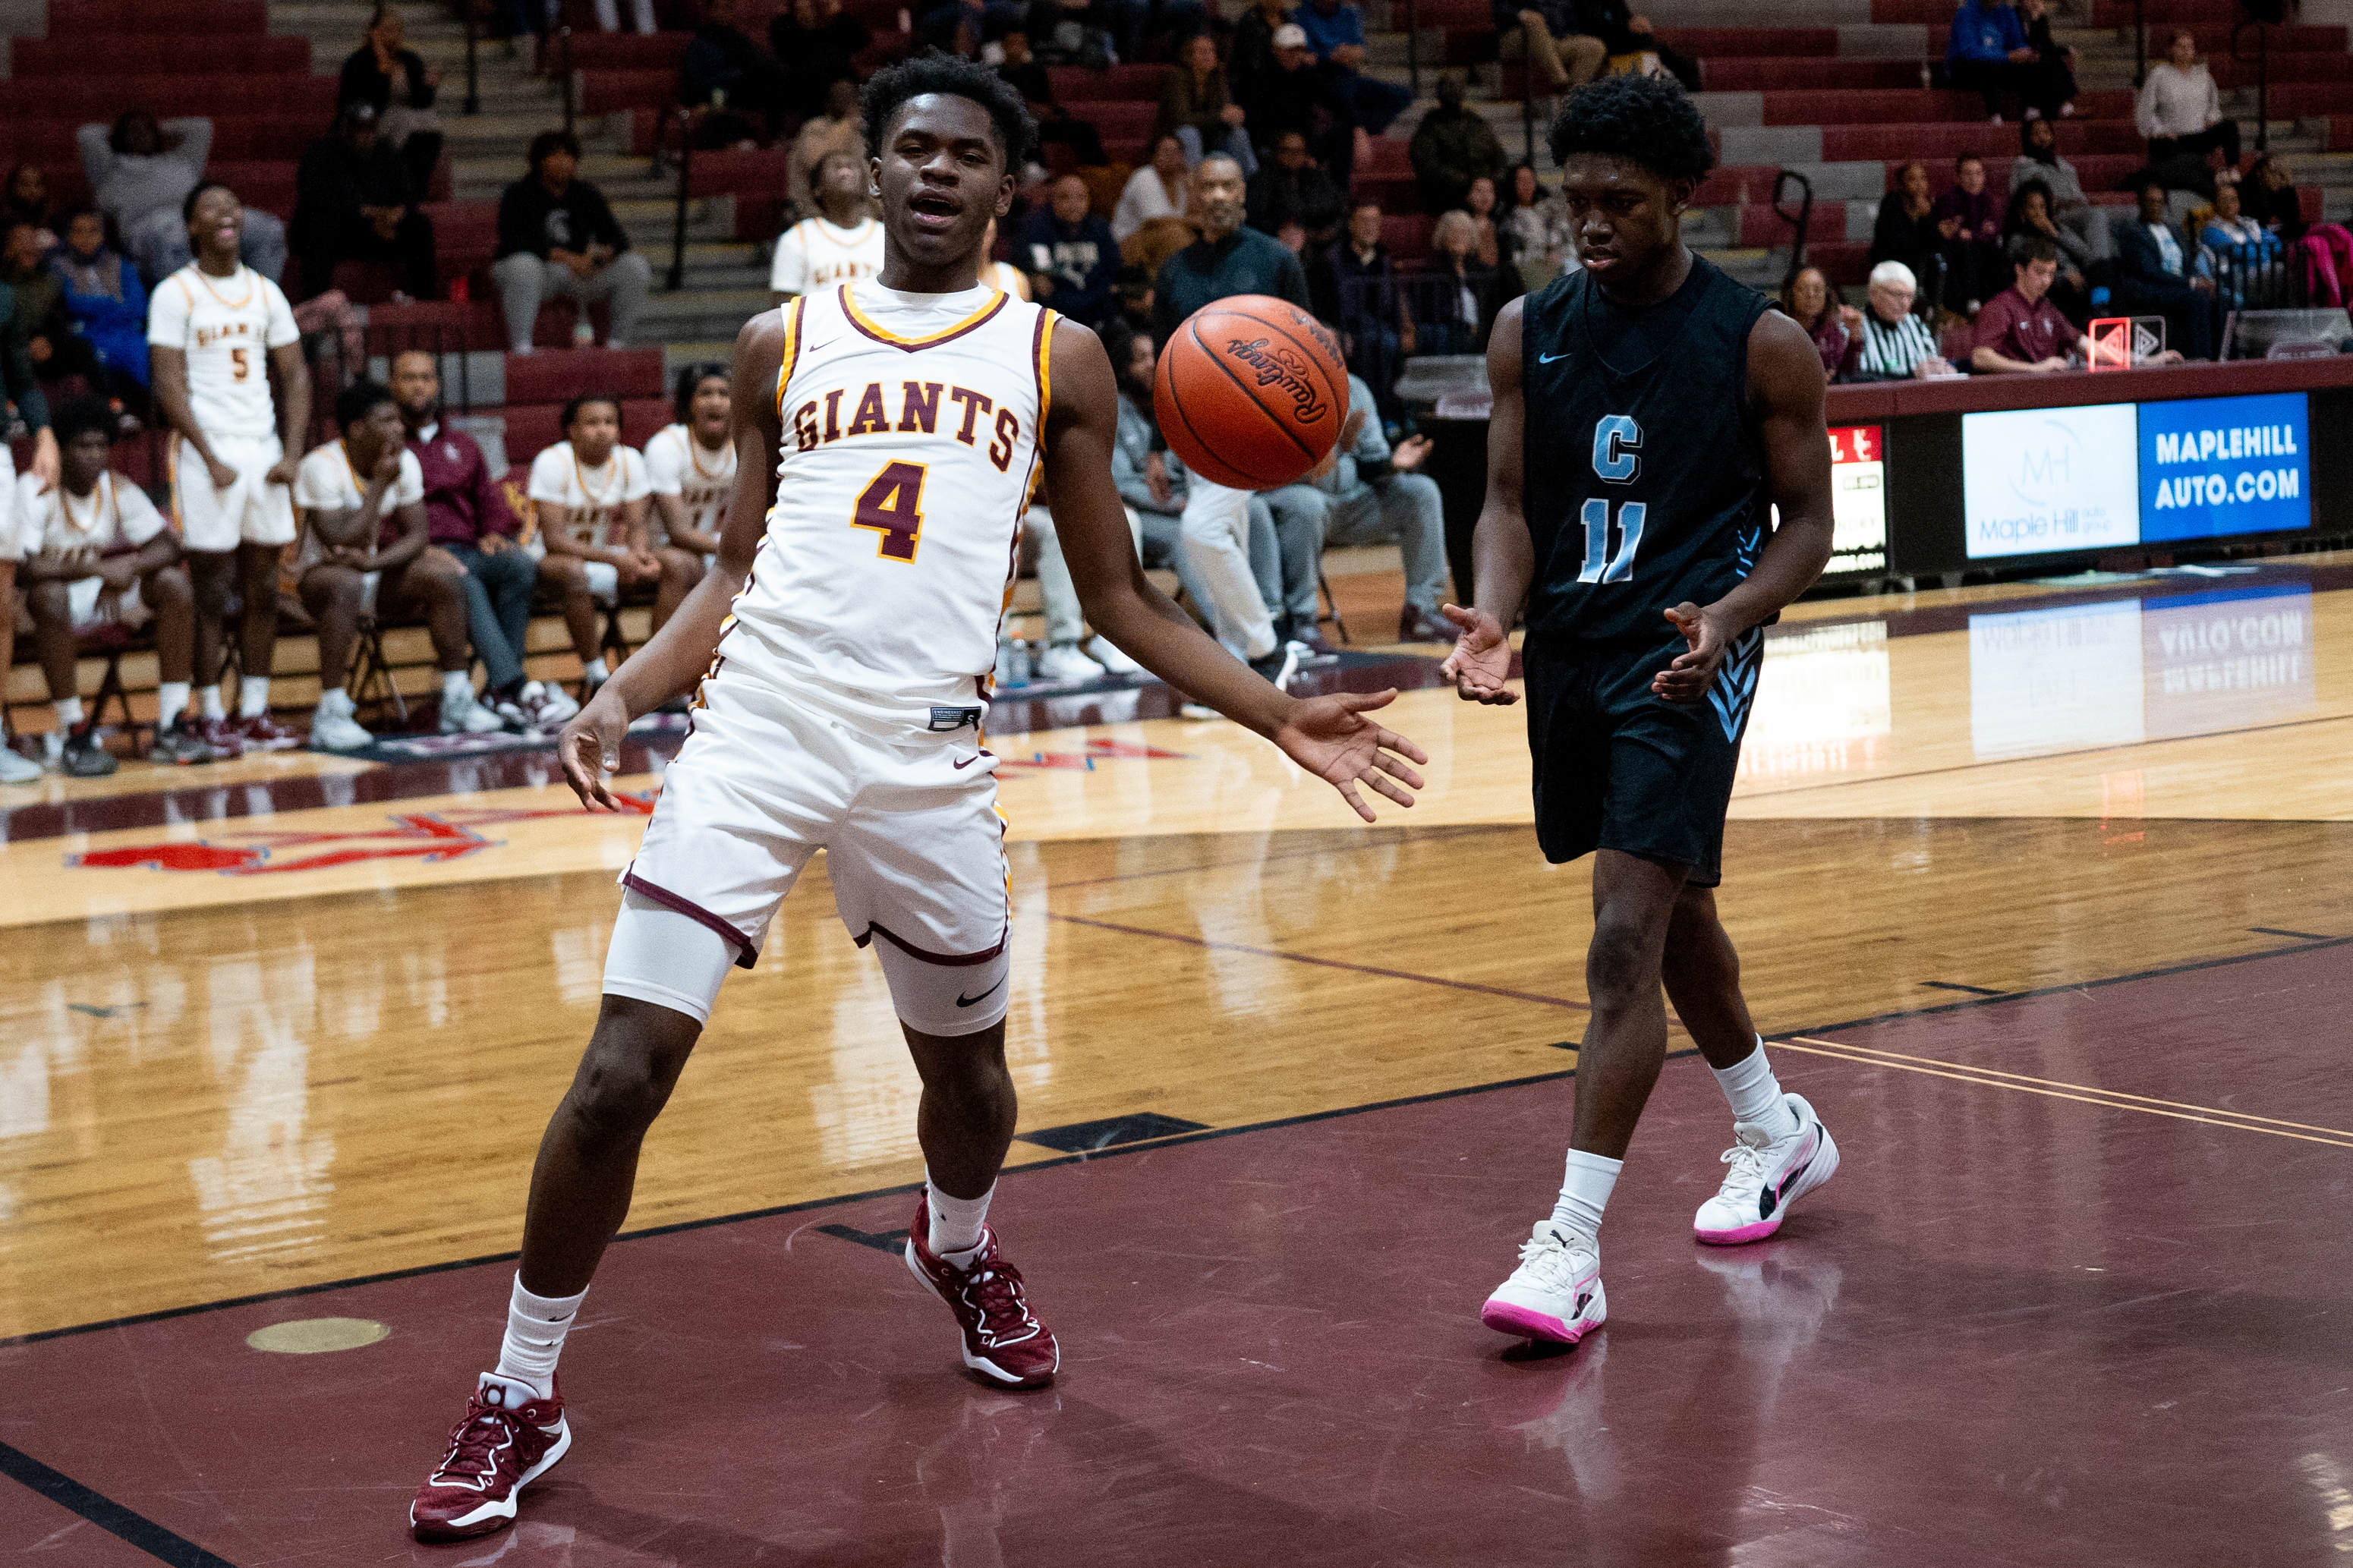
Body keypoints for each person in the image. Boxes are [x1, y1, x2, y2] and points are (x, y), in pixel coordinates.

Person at [406, 54, 1426, 1544]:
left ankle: (956, 1245)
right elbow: (735, 568)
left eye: (965, 156)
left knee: (970, 1081)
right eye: (913, 149)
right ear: (870, 169)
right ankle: (522, 1387)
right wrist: (622, 694)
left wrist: (1275, 711)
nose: (936, 172)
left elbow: (1121, 601)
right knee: (622, 1067)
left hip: (931, 749)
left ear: (1002, 188)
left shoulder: (1055, 355)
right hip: (759, 723)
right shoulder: (777, 342)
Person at [1439, 71, 1838, 1350]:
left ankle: (1570, 1248)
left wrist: (1730, 617)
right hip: (1569, 651)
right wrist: (1495, 616)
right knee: (1673, 924)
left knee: (1621, 938)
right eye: (1576, 203)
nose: (1592, 224)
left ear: (1683, 195)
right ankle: (1778, 1132)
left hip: (1685, 655)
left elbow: (1812, 527)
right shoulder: (1528, 328)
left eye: (1620, 201)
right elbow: (1506, 504)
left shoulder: (1759, 341)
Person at [148, 182, 312, 756]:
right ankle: (209, 711)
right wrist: (209, 454)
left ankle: (255, 711)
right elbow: (167, 381)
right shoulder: (176, 293)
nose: (228, 213)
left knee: (265, 588)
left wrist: (290, 453)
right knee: (211, 590)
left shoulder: (265, 291)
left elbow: (294, 375)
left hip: (261, 451)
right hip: (205, 454)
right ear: (192, 226)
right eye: (212, 207)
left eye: (233, 205)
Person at [1153, 153, 1316, 678]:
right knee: (1225, 540)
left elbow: (1312, 352)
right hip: (1197, 433)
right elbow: (1163, 367)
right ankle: (1235, 670)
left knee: (1200, 532)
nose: (1218, 196)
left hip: (1258, 428)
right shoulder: (1174, 271)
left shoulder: (1275, 261)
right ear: (1193, 198)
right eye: (1208, 188)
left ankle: (1269, 647)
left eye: (1227, 187)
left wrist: (1313, 435)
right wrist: (1159, 445)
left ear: (1242, 194)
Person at [295, 379, 503, 750]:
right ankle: (330, 711)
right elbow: (340, 539)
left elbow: (417, 536)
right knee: (344, 583)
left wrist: (375, 561)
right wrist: (377, 485)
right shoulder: (320, 465)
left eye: (397, 421)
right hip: (317, 582)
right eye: (387, 421)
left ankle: (456, 698)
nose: (398, 428)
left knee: (442, 576)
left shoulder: (403, 461)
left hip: (368, 572)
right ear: (357, 429)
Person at [15, 397, 207, 773]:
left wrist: (129, 566)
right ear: (62, 450)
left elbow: (168, 545)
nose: (95, 456)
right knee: (49, 595)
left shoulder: (116, 486)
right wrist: (99, 571)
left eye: (102, 446)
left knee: (174, 583)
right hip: (38, 605)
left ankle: (171, 723)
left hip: (99, 597)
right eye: (83, 446)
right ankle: (74, 729)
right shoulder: (35, 486)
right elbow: (22, 568)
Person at [390, 351, 578, 732]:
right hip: (417, 555)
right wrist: (419, 547)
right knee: (462, 578)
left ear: (437, 385)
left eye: (426, 377)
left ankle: (497, 689)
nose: (419, 386)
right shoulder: (388, 444)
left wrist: (494, 533)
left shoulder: (463, 443)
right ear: (393, 386)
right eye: (409, 378)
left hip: (469, 545)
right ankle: (515, 685)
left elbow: (487, 499)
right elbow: (382, 511)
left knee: (520, 566)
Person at [527, 394, 669, 697]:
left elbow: (637, 526)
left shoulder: (629, 459)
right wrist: (617, 561)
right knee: (575, 571)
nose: (602, 430)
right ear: (572, 430)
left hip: (601, 557)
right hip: (545, 558)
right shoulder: (553, 461)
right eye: (591, 423)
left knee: (670, 567)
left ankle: (658, 672)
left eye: (609, 422)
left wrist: (639, 555)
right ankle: (596, 673)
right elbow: (554, 541)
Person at [79, 112, 288, 286]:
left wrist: (162, 133)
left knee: (269, 229)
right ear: (118, 137)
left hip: (194, 218)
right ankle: (189, 310)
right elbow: (87, 135)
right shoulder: (108, 169)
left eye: (146, 129)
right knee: (171, 236)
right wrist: (117, 134)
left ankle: (262, 304)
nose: (140, 135)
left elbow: (201, 127)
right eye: (132, 130)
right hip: (145, 231)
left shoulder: (183, 161)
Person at [1314, 372, 1450, 641]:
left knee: (1420, 491)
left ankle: (1419, 612)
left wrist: (1392, 464)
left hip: (1353, 504)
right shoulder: (1273, 389)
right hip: (1302, 501)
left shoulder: (1354, 388)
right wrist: (1340, 447)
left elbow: (1371, 464)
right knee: (1304, 506)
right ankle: (1298, 623)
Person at [493, 131, 651, 354]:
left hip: (578, 273)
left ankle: (617, 346)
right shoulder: (518, 193)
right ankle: (522, 348)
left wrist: (600, 256)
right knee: (522, 265)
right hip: (540, 271)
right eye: (555, 155)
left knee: (634, 266)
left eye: (568, 155)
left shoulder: (585, 193)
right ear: (539, 161)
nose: (563, 162)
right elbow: (512, 241)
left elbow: (617, 239)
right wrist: (564, 257)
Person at [293, 103, 438, 302]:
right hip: (343, 232)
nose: (366, 135)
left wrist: (397, 213)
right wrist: (368, 214)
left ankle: (426, 300)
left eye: (371, 129)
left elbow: (406, 192)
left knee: (419, 226)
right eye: (360, 129)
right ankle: (316, 303)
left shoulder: (385, 152)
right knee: (320, 226)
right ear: (346, 130)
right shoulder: (323, 153)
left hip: (380, 231)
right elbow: (317, 199)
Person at [339, 5, 445, 197]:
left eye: (397, 30)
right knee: (407, 120)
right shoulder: (359, 62)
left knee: (430, 122)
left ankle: (417, 184)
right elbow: (369, 102)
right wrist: (383, 67)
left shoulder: (410, 60)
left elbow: (422, 102)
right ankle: (397, 183)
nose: (393, 35)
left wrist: (430, 86)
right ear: (373, 33)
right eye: (387, 30)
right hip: (371, 118)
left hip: (407, 118)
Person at [52, 209, 153, 402]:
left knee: (143, 351)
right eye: (78, 231)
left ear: (103, 236)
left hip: (126, 334)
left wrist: (96, 309)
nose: (86, 238)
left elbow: (138, 307)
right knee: (94, 357)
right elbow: (72, 304)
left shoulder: (120, 264)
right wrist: (112, 303)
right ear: (69, 236)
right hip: (87, 336)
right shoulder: (60, 268)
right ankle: (116, 410)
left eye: (93, 231)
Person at [1331, 198, 1414, 425]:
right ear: (1351, 225)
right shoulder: (1333, 261)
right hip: (1349, 332)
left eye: (1375, 221)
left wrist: (1408, 328)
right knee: (1384, 345)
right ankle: (1383, 418)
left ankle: (1402, 417)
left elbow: (1396, 302)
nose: (1370, 227)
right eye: (1364, 221)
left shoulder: (1384, 261)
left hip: (1382, 328)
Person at [2116, 178, 2220, 361]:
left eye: (2159, 202)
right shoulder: (2133, 231)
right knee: (2196, 299)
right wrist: (2191, 283)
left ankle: (2218, 357)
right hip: (2152, 287)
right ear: (2140, 203)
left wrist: (2200, 280)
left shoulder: (2173, 229)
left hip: (2179, 286)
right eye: (2151, 201)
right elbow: (2149, 270)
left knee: (2219, 297)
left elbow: (2188, 263)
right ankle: (2199, 359)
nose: (2156, 206)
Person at [644, 363, 732, 571]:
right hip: (662, 544)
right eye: (705, 394)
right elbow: (678, 532)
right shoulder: (666, 445)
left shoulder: (742, 447)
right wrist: (739, 550)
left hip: (709, 542)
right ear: (689, 403)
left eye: (724, 394)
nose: (716, 402)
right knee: (685, 565)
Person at [1247, 24, 1357, 191]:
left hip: (1306, 141)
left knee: (1343, 132)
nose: (1295, 55)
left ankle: (1339, 195)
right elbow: (1256, 122)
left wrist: (1359, 128)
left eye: (1299, 50)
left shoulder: (1309, 75)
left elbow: (1339, 103)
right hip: (1272, 143)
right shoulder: (1261, 78)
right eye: (1290, 50)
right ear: (1277, 50)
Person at [772, 150, 885, 304]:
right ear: (817, 189)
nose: (845, 171)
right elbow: (782, 309)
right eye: (836, 167)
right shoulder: (797, 238)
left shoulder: (885, 235)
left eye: (851, 166)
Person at [1296, 0, 1412, 137]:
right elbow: (1309, 57)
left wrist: (1340, 55)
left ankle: (1357, 129)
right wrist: (1333, 55)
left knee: (1403, 96)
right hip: (1321, 76)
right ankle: (1353, 128)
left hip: (1347, 74)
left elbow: (1358, 52)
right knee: (1341, 85)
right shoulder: (1301, 14)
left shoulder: (1349, 12)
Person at [679, 0, 791, 138]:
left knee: (772, 75)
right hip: (715, 93)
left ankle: (777, 136)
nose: (723, 13)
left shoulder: (739, 39)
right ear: (709, 12)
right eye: (718, 8)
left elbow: (759, 63)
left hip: (743, 90)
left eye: (727, 8)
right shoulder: (699, 44)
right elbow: (694, 83)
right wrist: (731, 77)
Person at [1970, 237, 2082, 373]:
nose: (2046, 281)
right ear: (2020, 270)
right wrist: (2035, 369)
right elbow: (1980, 357)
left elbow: (2081, 342)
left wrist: (2113, 353)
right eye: (2039, 272)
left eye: (2051, 273)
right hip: (2010, 390)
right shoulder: (2000, 307)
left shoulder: (2047, 309)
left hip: (2045, 389)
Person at [994, 30, 1105, 168]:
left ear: (1026, 47)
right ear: (1003, 46)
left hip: (1038, 122)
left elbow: (1047, 106)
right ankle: (1033, 170)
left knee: (1084, 129)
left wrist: (1030, 107)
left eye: (1020, 43)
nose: (1016, 48)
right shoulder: (994, 74)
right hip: (1009, 126)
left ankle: (1096, 171)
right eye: (1012, 43)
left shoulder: (1036, 72)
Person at [1021, 175, 1119, 326]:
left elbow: (1112, 270)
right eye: (1065, 198)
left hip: (1097, 311)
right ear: (1053, 201)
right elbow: (1040, 270)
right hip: (1053, 313)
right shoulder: (1038, 227)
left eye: (1081, 198)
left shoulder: (1100, 228)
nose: (1074, 204)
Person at [2011, 115, 2111, 263]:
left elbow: (2079, 196)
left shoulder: (2066, 167)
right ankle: (2101, 268)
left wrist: (2083, 202)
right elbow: (2025, 202)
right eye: (2036, 134)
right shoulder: (2023, 166)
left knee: (2121, 216)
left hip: (2077, 214)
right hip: (2054, 217)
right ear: (2027, 138)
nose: (2042, 138)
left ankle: (2103, 266)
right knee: (2096, 215)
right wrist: (2064, 203)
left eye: (2046, 132)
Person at [2138, 30, 2238, 174]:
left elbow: (2213, 106)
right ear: (2171, 50)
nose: (2186, 51)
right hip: (2172, 137)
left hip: (2197, 136)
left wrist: (2211, 120)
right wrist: (2160, 131)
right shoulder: (2159, 74)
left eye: (2190, 47)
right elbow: (2146, 109)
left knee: (2229, 127)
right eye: (2181, 47)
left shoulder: (2203, 76)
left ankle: (2232, 170)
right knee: (2169, 149)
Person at [1411, 74, 1509, 219]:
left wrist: (1492, 179)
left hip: (1486, 185)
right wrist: (1466, 183)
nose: (1453, 91)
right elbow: (1428, 164)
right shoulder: (1431, 124)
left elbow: (1499, 155)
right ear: (1439, 93)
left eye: (1457, 87)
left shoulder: (1476, 122)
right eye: (1448, 87)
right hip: (1452, 192)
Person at [1158, 35, 1256, 175]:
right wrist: (1220, 116)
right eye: (1203, 52)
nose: (1209, 56)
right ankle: (1196, 184)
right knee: (1190, 133)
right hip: (1180, 139)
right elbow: (1181, 118)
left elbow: (1226, 111)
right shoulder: (1178, 78)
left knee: (1239, 134)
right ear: (1189, 56)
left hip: (1213, 139)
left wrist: (1234, 115)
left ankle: (1245, 185)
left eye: (1211, 51)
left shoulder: (1218, 77)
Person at [1844, 260, 1951, 380]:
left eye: (1910, 296)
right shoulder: (1854, 325)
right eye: (1897, 294)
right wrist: (1912, 377)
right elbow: (1854, 378)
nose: (1905, 303)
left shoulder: (1916, 324)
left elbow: (1931, 363)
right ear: (1873, 293)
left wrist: (1941, 370)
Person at [1416, 209, 1502, 354]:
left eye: (1464, 233)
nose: (1458, 237)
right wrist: (1467, 327)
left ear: (1471, 239)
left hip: (1482, 332)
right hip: (1451, 331)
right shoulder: (1432, 271)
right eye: (1453, 232)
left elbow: (1492, 307)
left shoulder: (1483, 271)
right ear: (1443, 237)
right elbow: (1433, 310)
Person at [2001, 180, 2090, 320]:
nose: (2038, 213)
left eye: (2042, 207)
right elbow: (2027, 275)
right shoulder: (2018, 239)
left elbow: (2085, 254)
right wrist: (2066, 278)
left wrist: (2054, 234)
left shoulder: (2058, 229)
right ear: (2022, 211)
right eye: (2032, 207)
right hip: (2052, 288)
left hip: (2079, 280)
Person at [772, 0, 871, 123]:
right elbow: (792, 55)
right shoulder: (785, 26)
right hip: (805, 90)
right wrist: (802, 19)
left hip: (839, 84)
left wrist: (837, 15)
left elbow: (862, 41)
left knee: (844, 91)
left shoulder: (836, 23)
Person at [1868, 161, 1945, 313]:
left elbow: (1937, 243)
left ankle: (1937, 309)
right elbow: (1897, 242)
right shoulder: (1891, 203)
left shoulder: (1928, 206)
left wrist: (1928, 218)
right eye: (1912, 179)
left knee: (1940, 259)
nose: (1919, 184)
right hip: (1892, 259)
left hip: (1921, 260)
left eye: (1922, 179)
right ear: (1902, 185)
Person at [1932, 153, 2005, 313]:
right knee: (1966, 248)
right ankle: (1971, 302)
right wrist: (1977, 234)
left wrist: (1971, 234)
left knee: (1996, 253)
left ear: (1984, 177)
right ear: (1957, 177)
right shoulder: (1948, 200)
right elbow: (1951, 233)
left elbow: (1992, 234)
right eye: (1968, 174)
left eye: (1978, 173)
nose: (1974, 179)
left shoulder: (1990, 201)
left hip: (1985, 254)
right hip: (1957, 256)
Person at [1570, 0, 1699, 90]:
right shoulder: (1583, 3)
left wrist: (1637, 23)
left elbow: (1625, 16)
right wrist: (1627, 27)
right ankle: (1663, 80)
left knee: (1654, 44)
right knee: (1646, 44)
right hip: (1600, 40)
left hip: (1622, 37)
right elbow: (1592, 26)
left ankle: (1687, 84)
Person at [1247, 131, 1345, 244]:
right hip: (1274, 243)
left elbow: (1336, 208)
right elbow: (1256, 218)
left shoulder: (1317, 178)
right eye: (1287, 151)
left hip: (1318, 243)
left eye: (1298, 151)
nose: (1293, 156)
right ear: (1277, 152)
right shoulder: (1261, 181)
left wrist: (1322, 233)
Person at [1945, 0, 2033, 124]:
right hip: (1964, 67)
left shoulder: (2006, 11)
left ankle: (2036, 110)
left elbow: (2017, 43)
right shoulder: (1966, 11)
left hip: (1998, 64)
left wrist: (2027, 53)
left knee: (2035, 62)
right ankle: (1995, 115)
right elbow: (1970, 52)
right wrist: (2007, 56)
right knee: (1987, 66)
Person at [2200, 180, 2284, 309]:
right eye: (2224, 200)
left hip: (2261, 271)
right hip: (2235, 278)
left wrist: (2258, 251)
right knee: (2282, 271)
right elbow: (2239, 252)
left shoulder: (2249, 224)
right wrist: (2262, 251)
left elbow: (2276, 244)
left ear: (2239, 203)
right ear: (2215, 205)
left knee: (2289, 271)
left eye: (2233, 200)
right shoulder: (2211, 231)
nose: (2229, 205)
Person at [789, 80, 868, 216]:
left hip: (859, 206)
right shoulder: (814, 127)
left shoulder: (859, 128)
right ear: (829, 103)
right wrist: (848, 123)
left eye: (851, 97)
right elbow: (817, 162)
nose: (848, 101)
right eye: (841, 96)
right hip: (814, 207)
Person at [1493, 0, 1605, 97]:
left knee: (1594, 46)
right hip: (1516, 36)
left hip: (1552, 40)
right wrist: (1520, 14)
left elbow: (1571, 21)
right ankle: (1561, 82)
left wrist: (1569, 34)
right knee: (1536, 24)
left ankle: (1573, 97)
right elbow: (1499, 9)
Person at [1500, 162, 1571, 291]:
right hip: (1529, 273)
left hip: (1559, 265)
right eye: (1521, 180)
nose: (1526, 185)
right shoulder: (1509, 217)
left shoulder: (1550, 208)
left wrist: (1558, 254)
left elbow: (1565, 237)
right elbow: (1515, 254)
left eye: (1530, 179)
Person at [1779, 265, 1857, 381]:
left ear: (1827, 294)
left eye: (1817, 289)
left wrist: (1854, 336)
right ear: (1790, 293)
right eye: (1803, 289)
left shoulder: (1833, 331)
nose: (1811, 295)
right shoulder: (1778, 331)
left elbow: (1848, 372)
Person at [1115, 134, 1192, 244]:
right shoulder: (1144, 176)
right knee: (1176, 235)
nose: (1171, 157)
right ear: (1154, 156)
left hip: (1161, 242)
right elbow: (1155, 222)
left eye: (1176, 152)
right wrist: (1192, 222)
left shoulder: (1180, 184)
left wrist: (1192, 186)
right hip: (1130, 244)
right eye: (1166, 151)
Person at [2014, 0, 2076, 120]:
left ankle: (2060, 104)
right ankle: (2034, 106)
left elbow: (2046, 43)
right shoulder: (2014, 15)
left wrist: (2065, 50)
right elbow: (2025, 41)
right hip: (2017, 53)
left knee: (2051, 59)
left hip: (2036, 55)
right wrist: (2035, 19)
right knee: (2041, 60)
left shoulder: (2039, 17)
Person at [2244, 153, 2307, 244]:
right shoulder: (2250, 187)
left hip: (2285, 232)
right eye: (2270, 171)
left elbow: (2294, 219)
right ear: (2259, 173)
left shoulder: (2287, 191)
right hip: (2260, 232)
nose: (2274, 176)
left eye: (2276, 172)